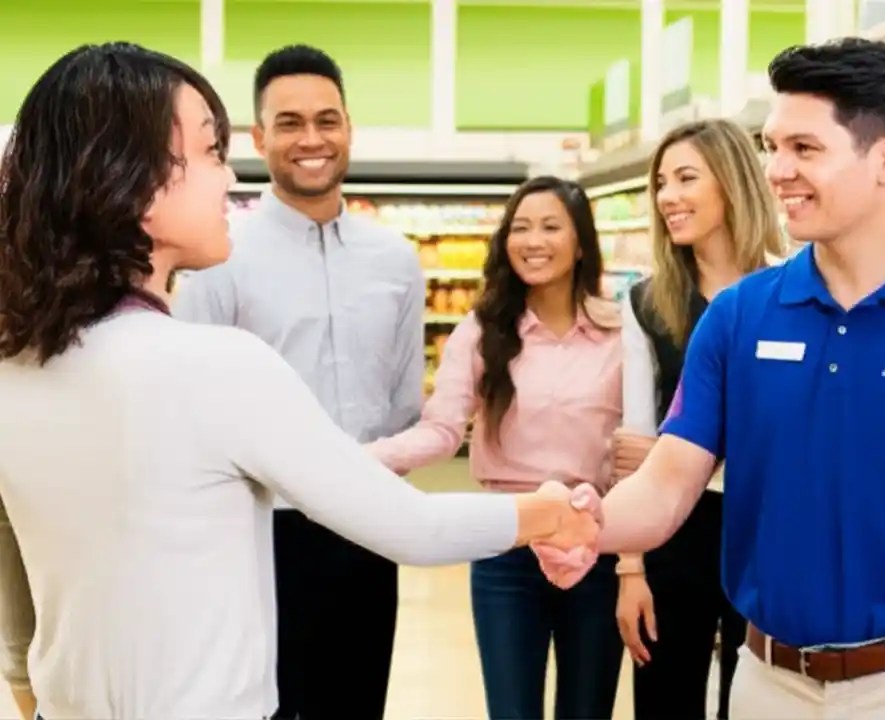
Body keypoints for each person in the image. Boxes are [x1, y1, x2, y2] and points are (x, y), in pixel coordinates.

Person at [0, 42, 597, 720]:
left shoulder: (15, 365)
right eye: (209, 152)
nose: (229, 180)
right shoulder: (217, 366)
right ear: (131, 178)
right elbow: (413, 524)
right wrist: (551, 512)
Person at [538, 38, 885, 720]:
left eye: (805, 149)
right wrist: (585, 523)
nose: (776, 171)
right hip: (766, 681)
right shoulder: (737, 319)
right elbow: (667, 487)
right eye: (772, 146)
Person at [171, 45, 421, 720]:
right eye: (289, 123)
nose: (311, 139)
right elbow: (193, 403)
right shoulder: (222, 257)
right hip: (262, 531)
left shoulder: (395, 260)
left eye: (326, 119)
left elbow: (402, 404)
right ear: (260, 138)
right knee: (268, 705)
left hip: (370, 524)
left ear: (348, 128)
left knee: (360, 700)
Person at [366, 175, 625, 720]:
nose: (533, 240)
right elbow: (441, 431)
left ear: (581, 243)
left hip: (595, 544)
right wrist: (360, 461)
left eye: (551, 227)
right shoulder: (483, 330)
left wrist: (635, 563)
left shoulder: (622, 333)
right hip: (506, 545)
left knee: (589, 709)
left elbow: (636, 455)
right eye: (521, 227)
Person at [613, 118, 784, 720]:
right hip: (672, 530)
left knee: (760, 695)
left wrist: (681, 449)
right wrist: (629, 569)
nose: (668, 198)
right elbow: (634, 447)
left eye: (687, 178)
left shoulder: (789, 291)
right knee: (664, 697)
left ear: (733, 183)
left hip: (768, 527)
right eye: (661, 183)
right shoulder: (644, 302)